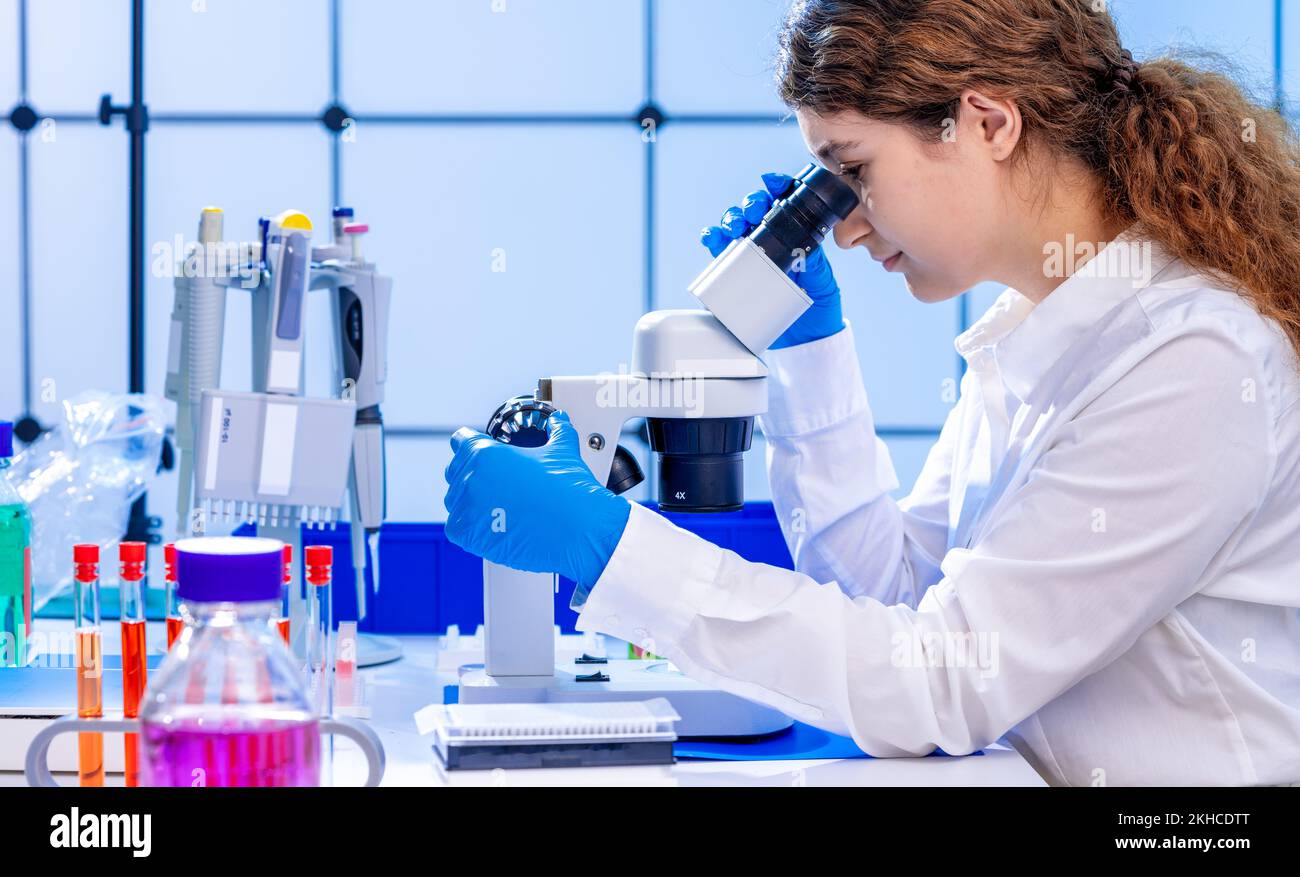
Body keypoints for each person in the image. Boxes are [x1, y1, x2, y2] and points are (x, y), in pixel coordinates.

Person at [443, 0, 1300, 785]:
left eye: (852, 171)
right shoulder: (1034, 335)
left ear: (986, 123)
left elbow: (942, 682)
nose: (845, 226)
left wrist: (613, 547)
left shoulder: (1193, 358)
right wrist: (810, 350)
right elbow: (892, 596)